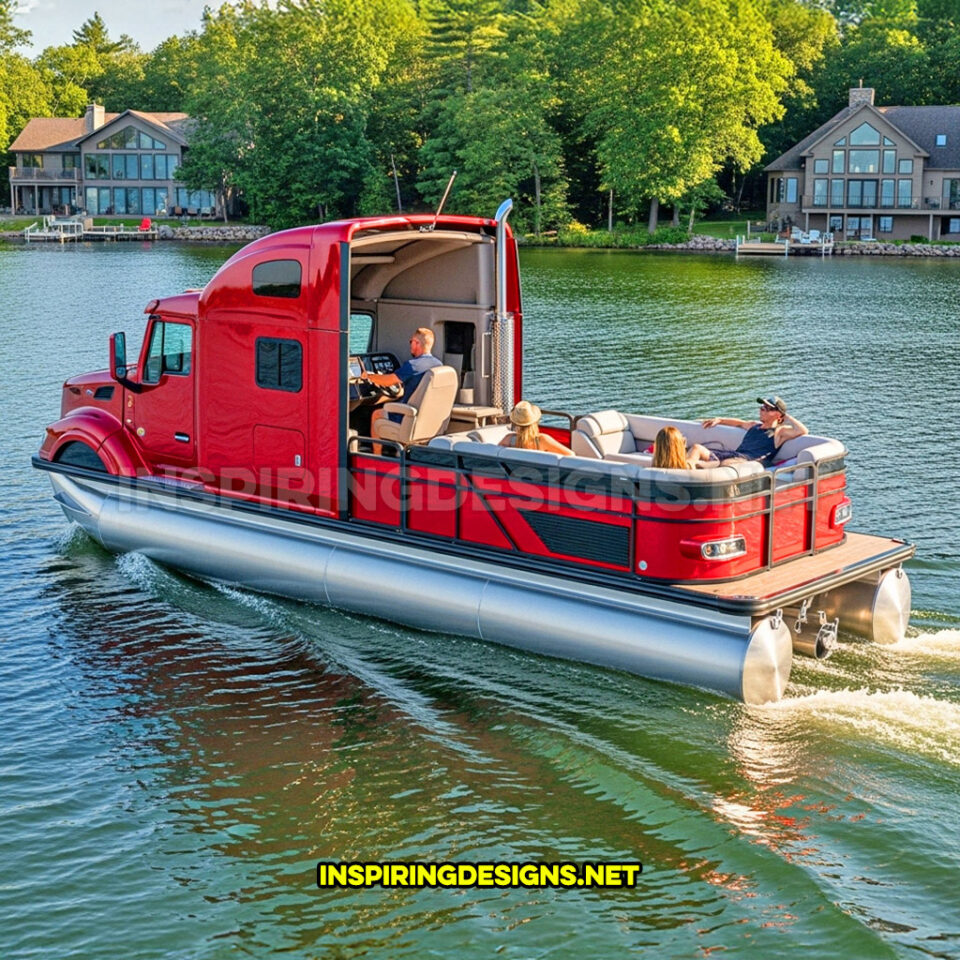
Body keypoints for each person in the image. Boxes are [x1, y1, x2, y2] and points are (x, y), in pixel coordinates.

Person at [366, 327, 442, 437]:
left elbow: (388, 381)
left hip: (408, 415)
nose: (410, 344)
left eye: (411, 342)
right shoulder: (438, 365)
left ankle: (376, 454)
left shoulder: (413, 365)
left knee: (377, 414)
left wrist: (368, 376)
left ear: (416, 343)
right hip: (426, 415)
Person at [701, 396, 808, 465]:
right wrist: (719, 420)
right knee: (697, 449)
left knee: (725, 463)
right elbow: (739, 423)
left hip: (750, 462)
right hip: (735, 454)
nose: (762, 410)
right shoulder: (754, 425)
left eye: (767, 408)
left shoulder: (779, 432)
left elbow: (802, 431)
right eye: (762, 407)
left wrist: (786, 416)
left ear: (778, 414)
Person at [499, 400, 574, 455]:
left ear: (515, 423)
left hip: (515, 475)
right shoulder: (543, 440)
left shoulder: (508, 439)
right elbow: (570, 455)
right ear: (535, 422)